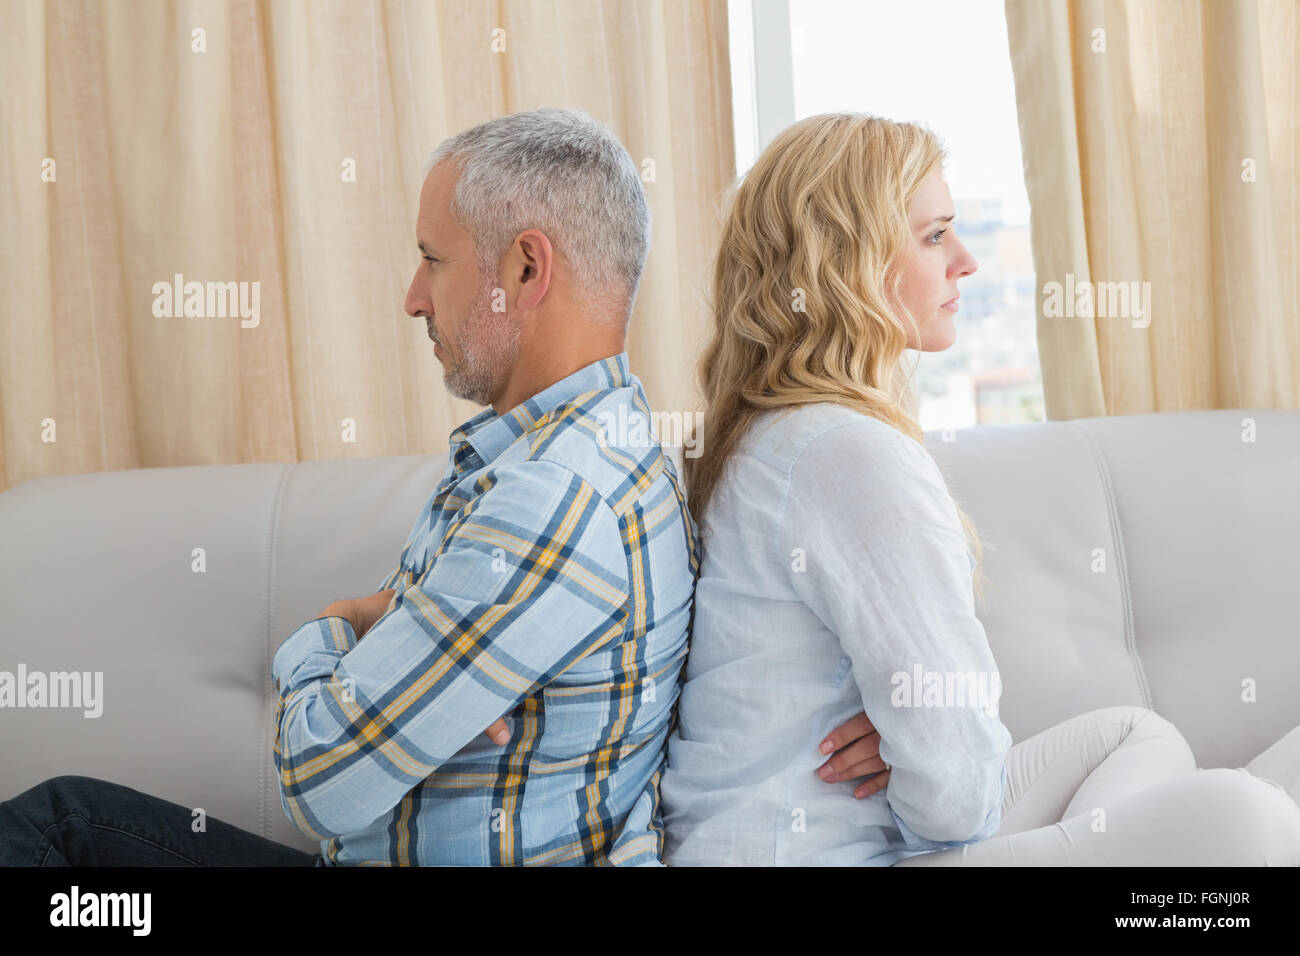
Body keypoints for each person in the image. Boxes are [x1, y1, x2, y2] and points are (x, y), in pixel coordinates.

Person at [1, 107, 699, 866]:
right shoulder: (604, 445)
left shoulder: (555, 498)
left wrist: (334, 627)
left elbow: (320, 777)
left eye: (432, 259)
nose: (413, 298)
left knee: (50, 831)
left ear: (525, 270)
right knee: (62, 821)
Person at [659, 111, 1300, 866]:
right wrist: (927, 741)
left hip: (794, 841)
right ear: (848, 262)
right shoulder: (851, 454)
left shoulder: (769, 433)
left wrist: (918, 738)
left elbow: (950, 770)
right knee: (1246, 815)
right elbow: (954, 802)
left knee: (1139, 735)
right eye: (934, 236)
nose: (964, 260)